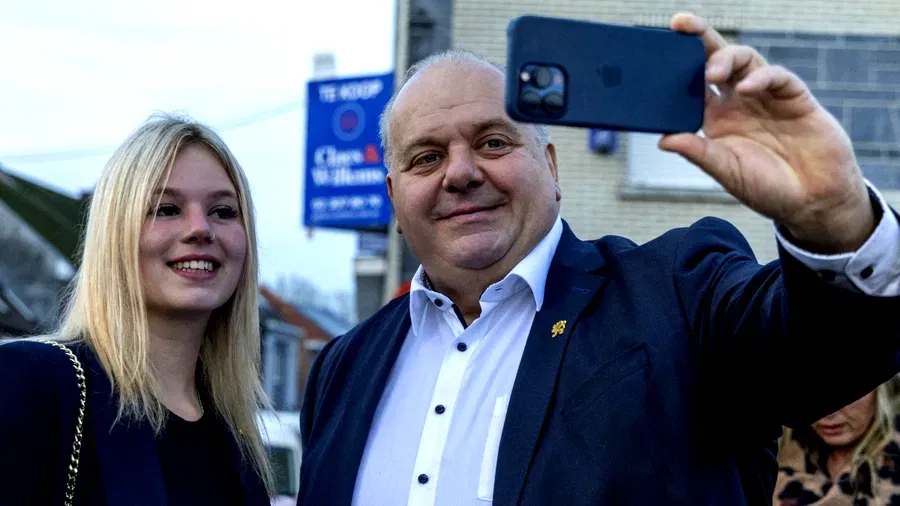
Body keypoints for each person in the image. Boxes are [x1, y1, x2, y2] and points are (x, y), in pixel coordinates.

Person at [298, 12, 900, 506]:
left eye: (493, 142)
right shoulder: (342, 368)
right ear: (394, 199)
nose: (460, 173)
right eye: (425, 158)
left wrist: (832, 218)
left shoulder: (677, 295)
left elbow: (831, 351)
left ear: (553, 168)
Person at [0, 113, 275, 506]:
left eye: (223, 211)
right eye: (166, 209)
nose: (201, 228)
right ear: (116, 233)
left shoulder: (238, 443)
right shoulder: (32, 385)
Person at [774, 376, 900, 505]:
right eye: (812, 392)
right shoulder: (769, 460)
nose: (829, 414)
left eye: (848, 393)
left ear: (881, 391)